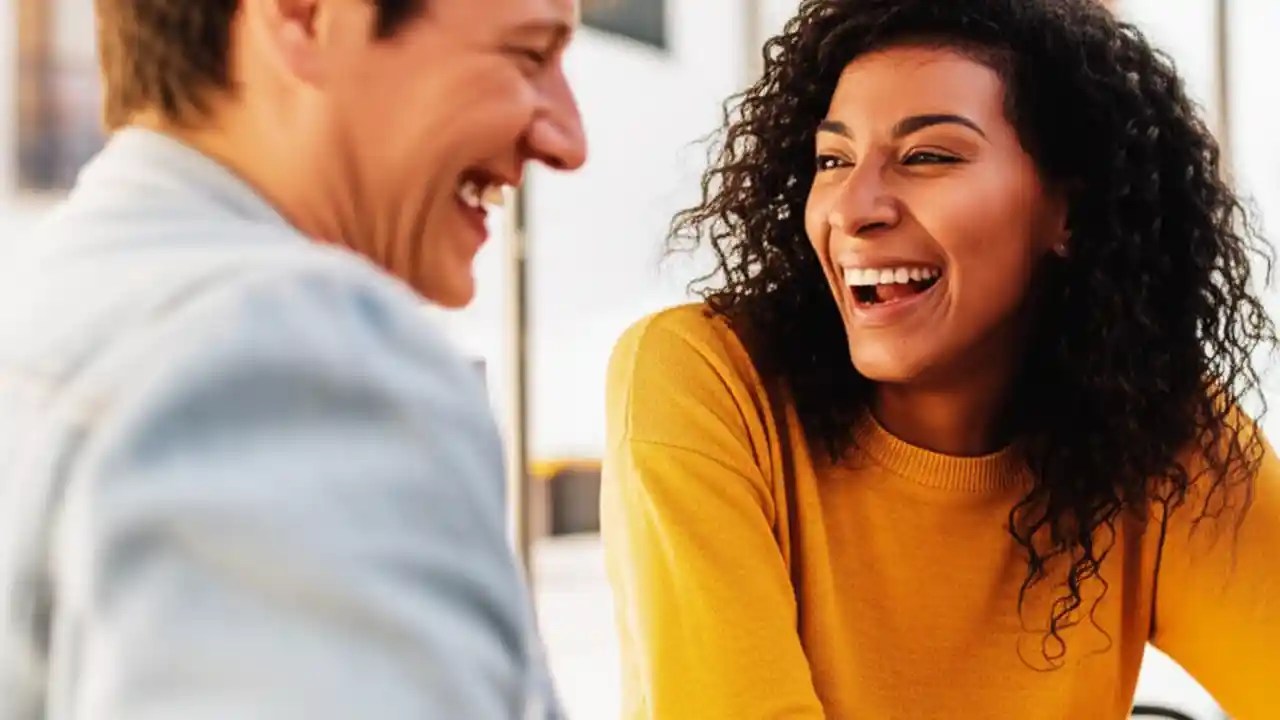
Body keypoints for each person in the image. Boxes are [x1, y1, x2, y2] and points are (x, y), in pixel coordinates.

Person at [601, 0, 1280, 718]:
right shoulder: (706, 380)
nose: (854, 208)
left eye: (928, 156)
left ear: (1071, 215)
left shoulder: (1152, 428)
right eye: (832, 159)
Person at [0, 0, 585, 718]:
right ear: (305, 17)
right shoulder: (294, 359)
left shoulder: (58, 311)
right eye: (527, 56)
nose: (568, 139)